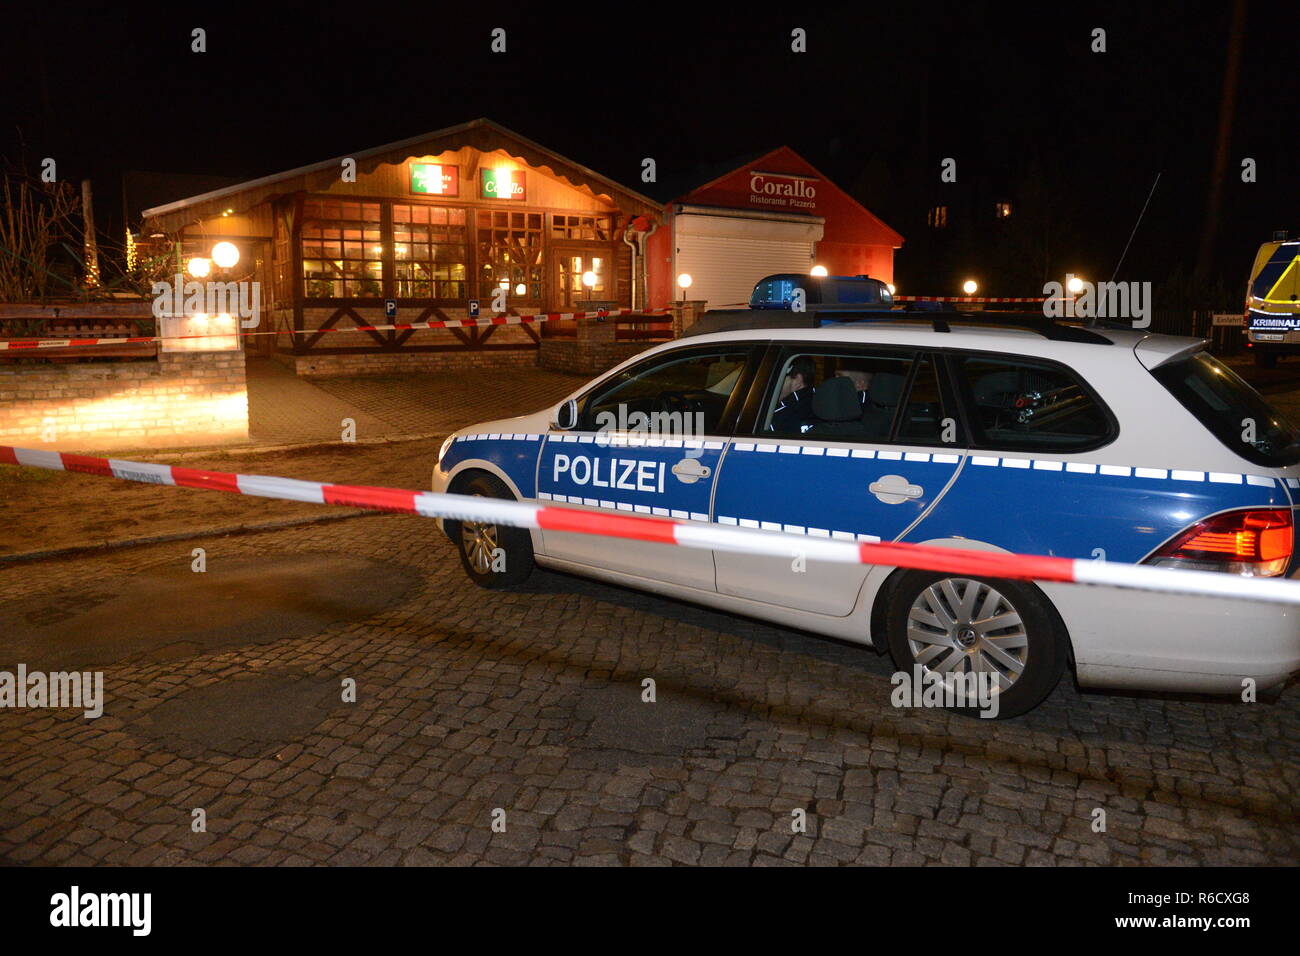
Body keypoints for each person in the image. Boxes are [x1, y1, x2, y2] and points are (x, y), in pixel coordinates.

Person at [769, 356, 816, 432]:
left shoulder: (785, 414)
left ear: (797, 381)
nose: (772, 384)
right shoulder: (820, 405)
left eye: (778, 378)